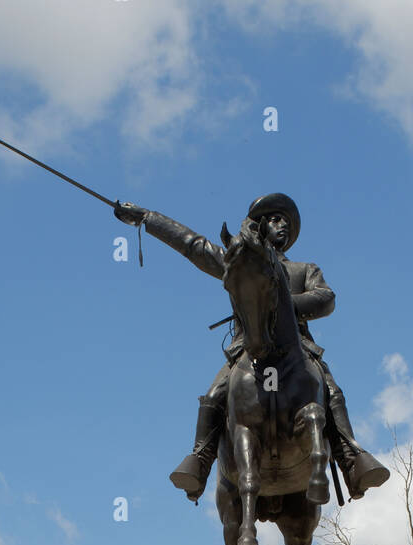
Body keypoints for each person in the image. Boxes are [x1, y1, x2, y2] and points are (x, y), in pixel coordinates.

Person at [113, 192, 390, 504]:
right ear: (260, 228)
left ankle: (351, 457)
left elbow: (326, 298)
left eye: (286, 222)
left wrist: (282, 304)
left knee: (331, 390)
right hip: (247, 349)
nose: (282, 225)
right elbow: (194, 246)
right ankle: (200, 459)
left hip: (298, 348)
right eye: (274, 220)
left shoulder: (304, 269)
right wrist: (148, 218)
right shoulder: (239, 261)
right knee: (216, 393)